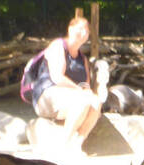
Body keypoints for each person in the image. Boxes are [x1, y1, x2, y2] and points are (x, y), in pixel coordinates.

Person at [31, 16, 101, 154]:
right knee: (82, 101)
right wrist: (80, 91)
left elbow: (84, 84)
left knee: (96, 102)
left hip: (70, 97)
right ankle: (64, 144)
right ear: (70, 28)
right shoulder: (58, 46)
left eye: (86, 30)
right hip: (47, 95)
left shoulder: (83, 59)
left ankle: (77, 143)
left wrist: (87, 91)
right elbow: (57, 77)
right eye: (79, 28)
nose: (83, 32)